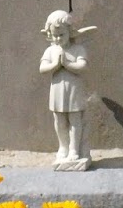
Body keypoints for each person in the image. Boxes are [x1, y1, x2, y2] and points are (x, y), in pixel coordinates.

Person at [39, 9, 94, 169]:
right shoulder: (51, 50)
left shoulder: (77, 49)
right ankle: (63, 146)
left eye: (61, 35)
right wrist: (55, 65)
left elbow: (83, 66)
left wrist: (67, 64)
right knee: (59, 120)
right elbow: (42, 68)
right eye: (54, 35)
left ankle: (74, 149)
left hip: (73, 91)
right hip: (57, 91)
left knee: (75, 120)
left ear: (70, 32)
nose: (58, 38)